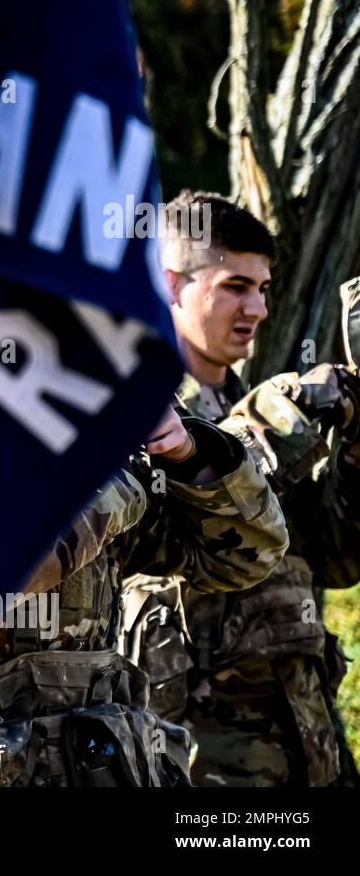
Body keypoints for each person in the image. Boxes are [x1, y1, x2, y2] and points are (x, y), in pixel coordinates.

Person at [123, 191, 360, 786]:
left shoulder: (246, 403)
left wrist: (356, 446)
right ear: (172, 283)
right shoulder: (140, 413)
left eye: (263, 288)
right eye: (234, 286)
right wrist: (301, 404)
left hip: (305, 743)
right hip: (201, 759)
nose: (255, 307)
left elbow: (331, 556)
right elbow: (207, 481)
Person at [0, 401, 288, 786]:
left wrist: (187, 456)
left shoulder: (99, 403)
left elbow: (246, 558)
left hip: (95, 764)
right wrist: (122, 485)